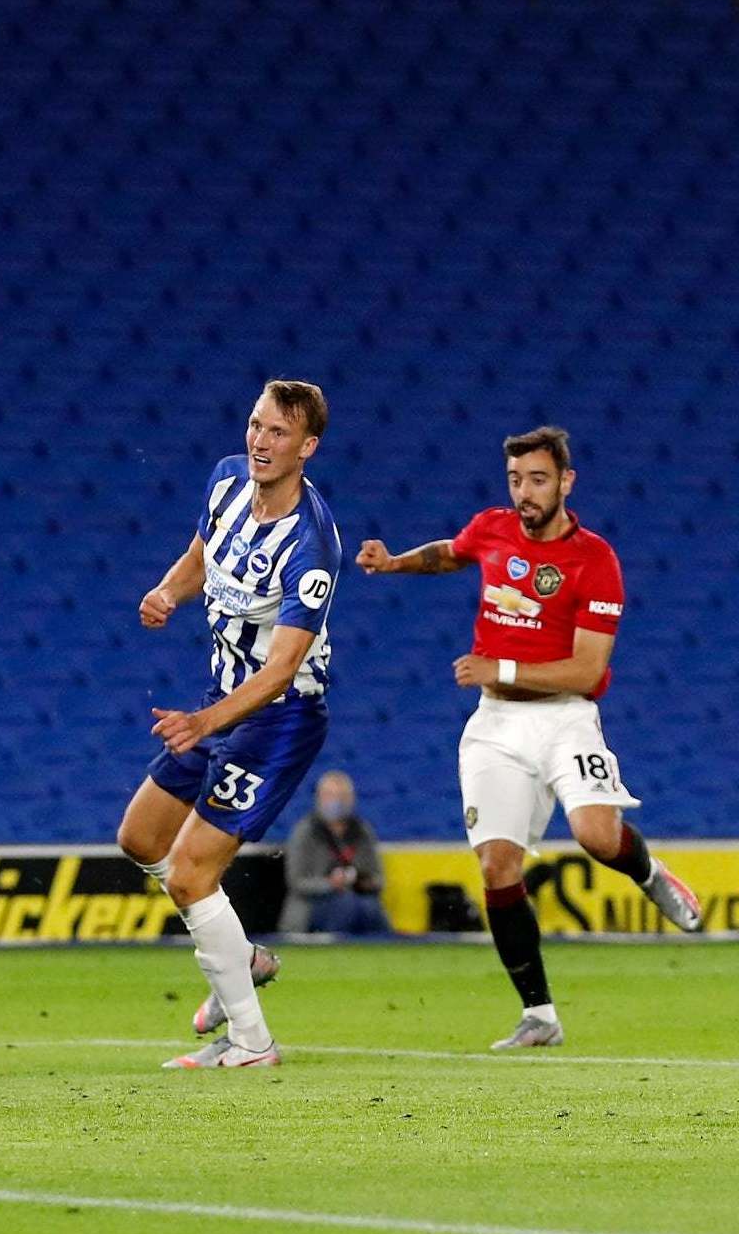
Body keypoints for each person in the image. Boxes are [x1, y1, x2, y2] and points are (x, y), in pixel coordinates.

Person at [356, 425, 702, 1050]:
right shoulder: (492, 528)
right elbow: (455, 552)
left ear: (566, 482)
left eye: (538, 479)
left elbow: (589, 669)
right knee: (496, 867)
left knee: (597, 836)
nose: (524, 492)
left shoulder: (595, 559)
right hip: (495, 724)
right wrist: (395, 563)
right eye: (516, 480)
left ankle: (648, 872)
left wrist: (503, 667)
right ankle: (540, 1015)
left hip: (565, 716)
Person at [115, 380, 341, 1069]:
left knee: (188, 874)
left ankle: (251, 1042)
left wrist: (202, 721)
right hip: (217, 706)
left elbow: (278, 673)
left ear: (307, 448)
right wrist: (166, 590)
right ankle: (239, 958)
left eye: (277, 434)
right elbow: (202, 552)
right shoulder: (224, 483)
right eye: (255, 425)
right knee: (140, 837)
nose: (259, 442)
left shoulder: (312, 543)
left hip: (278, 719)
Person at [280, 770, 389, 935]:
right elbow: (297, 882)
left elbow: (378, 879)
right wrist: (330, 884)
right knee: (345, 904)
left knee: (370, 907)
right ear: (319, 798)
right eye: (330, 795)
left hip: (357, 898)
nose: (336, 801)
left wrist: (359, 881)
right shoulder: (305, 832)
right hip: (313, 905)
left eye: (342, 796)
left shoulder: (362, 831)